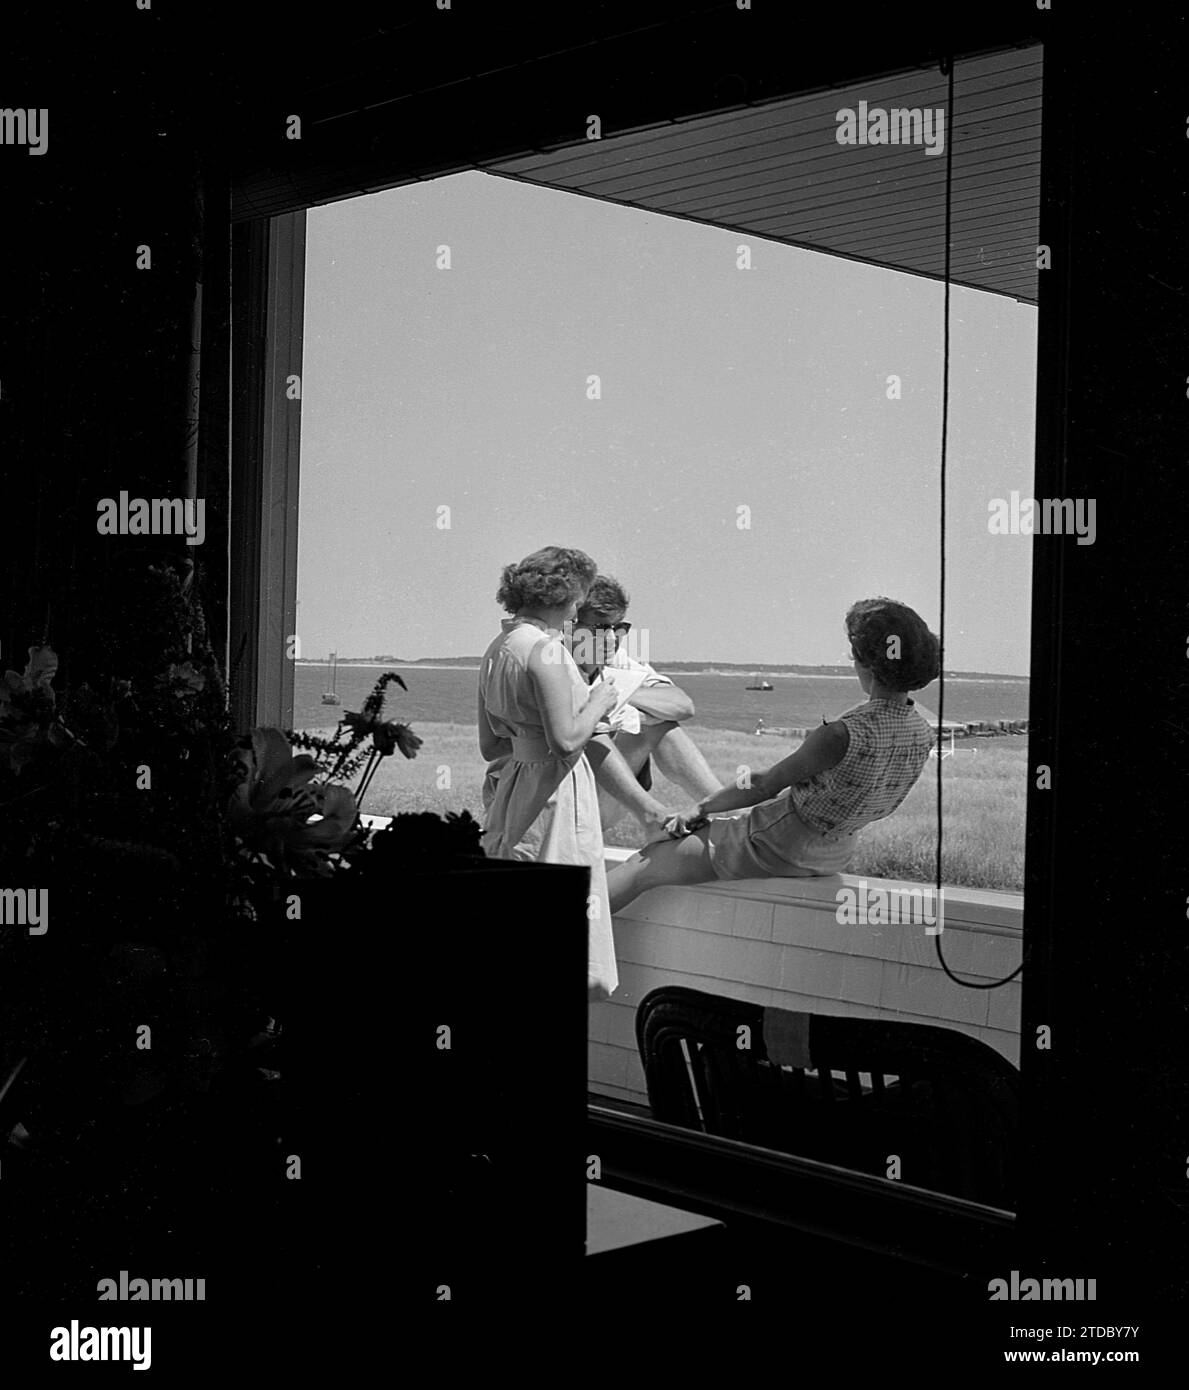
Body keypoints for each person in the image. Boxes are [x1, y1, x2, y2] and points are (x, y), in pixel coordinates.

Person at [605, 597, 941, 914]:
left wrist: (701, 807)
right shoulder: (922, 732)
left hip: (776, 845)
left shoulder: (842, 734)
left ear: (865, 662)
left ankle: (575, 936)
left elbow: (765, 784)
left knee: (644, 865)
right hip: (835, 853)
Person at [477, 546, 624, 1000]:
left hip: (516, 790)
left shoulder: (498, 648)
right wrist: (599, 702)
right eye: (579, 596)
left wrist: (528, 739)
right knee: (563, 929)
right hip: (557, 794)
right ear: (565, 595)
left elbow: (490, 746)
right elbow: (566, 740)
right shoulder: (546, 651)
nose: (579, 607)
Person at [566, 575, 722, 839]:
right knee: (639, 726)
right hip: (561, 802)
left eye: (619, 628)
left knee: (661, 725)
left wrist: (618, 692)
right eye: (600, 628)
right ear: (571, 626)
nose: (612, 639)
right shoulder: (556, 664)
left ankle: (726, 808)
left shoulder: (615, 661)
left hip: (600, 799)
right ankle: (656, 814)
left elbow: (682, 705)